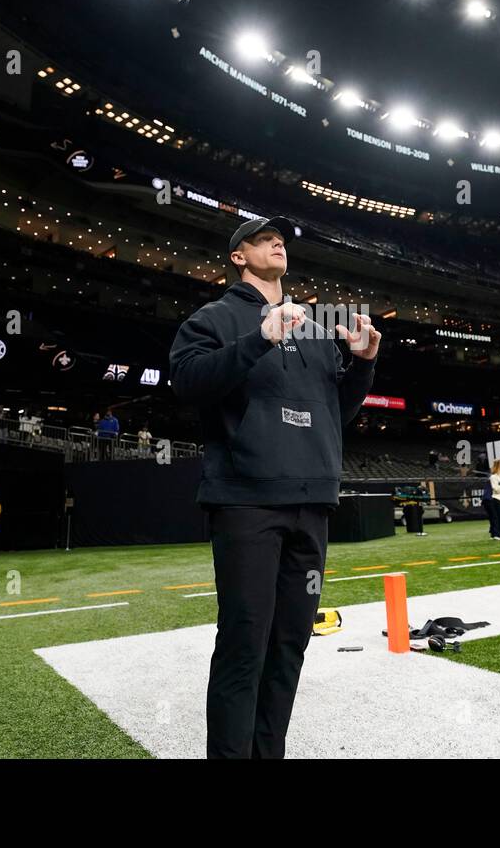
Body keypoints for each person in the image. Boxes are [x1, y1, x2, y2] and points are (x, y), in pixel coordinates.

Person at [169, 215, 380, 759]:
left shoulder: (313, 328)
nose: (277, 244)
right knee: (245, 644)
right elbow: (188, 383)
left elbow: (339, 413)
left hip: (311, 504)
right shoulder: (212, 318)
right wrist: (257, 340)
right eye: (264, 239)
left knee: (290, 646)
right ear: (238, 256)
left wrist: (362, 364)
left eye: (281, 239)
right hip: (246, 502)